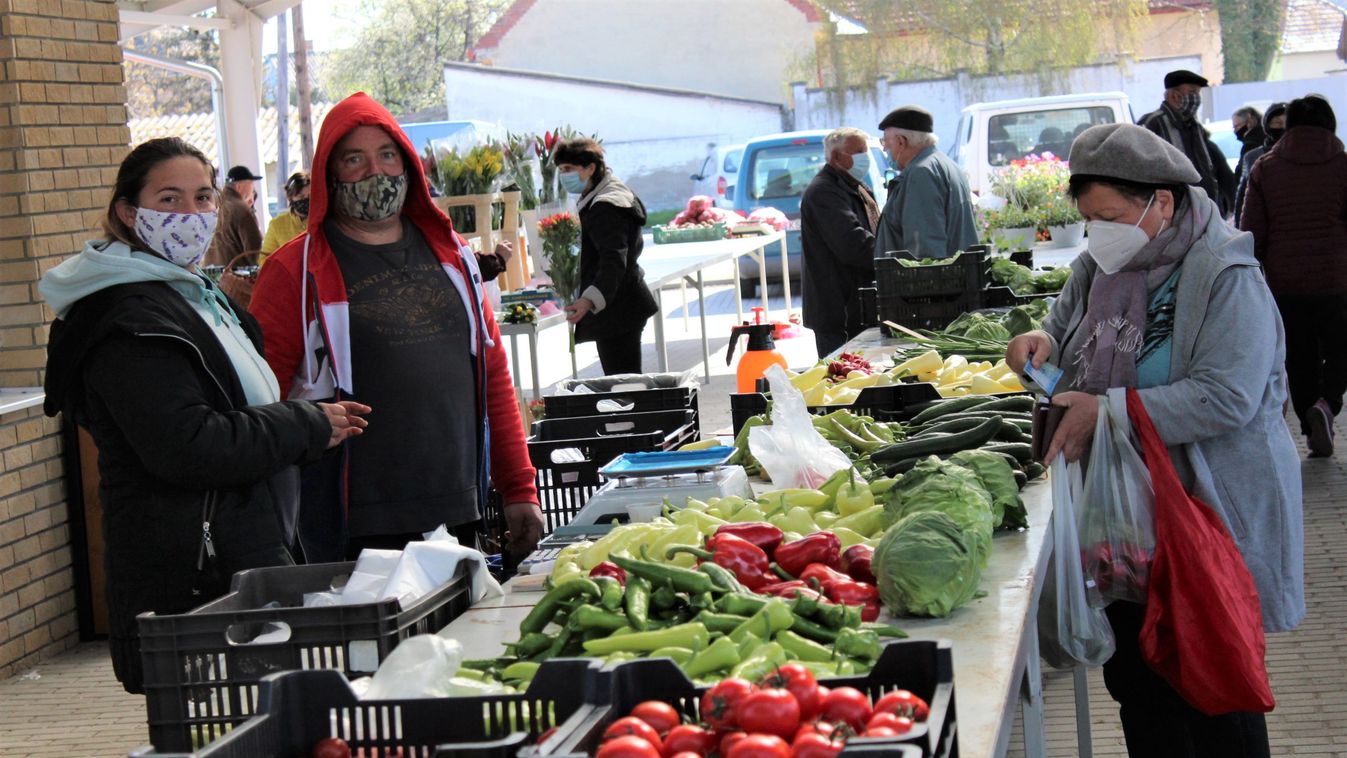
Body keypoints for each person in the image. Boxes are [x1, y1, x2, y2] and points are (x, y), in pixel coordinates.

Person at [1007, 124, 1304, 757]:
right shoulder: (1101, 264)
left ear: (1161, 202)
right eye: (1089, 220)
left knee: (1211, 682)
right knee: (1140, 684)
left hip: (1203, 513)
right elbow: (1064, 328)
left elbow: (1228, 395)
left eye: (1110, 217)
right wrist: (1042, 343)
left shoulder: (1226, 274)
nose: (1098, 233)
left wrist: (1108, 410)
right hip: (1122, 521)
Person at [37, 138, 369, 694]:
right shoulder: (129, 319)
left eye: (202, 198)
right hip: (194, 579)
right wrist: (304, 424)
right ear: (128, 212)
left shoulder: (193, 297)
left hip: (243, 560)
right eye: (168, 200)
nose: (190, 215)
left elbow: (237, 411)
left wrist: (306, 423)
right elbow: (188, 445)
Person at [250, 92, 543, 561]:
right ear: (328, 174)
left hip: (457, 508)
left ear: (407, 164)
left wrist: (519, 488)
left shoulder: (453, 257)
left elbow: (492, 375)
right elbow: (261, 408)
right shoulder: (294, 272)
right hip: (350, 526)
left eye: (387, 155)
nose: (376, 171)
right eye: (354, 159)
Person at [1240, 95, 1347, 458]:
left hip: (1285, 283)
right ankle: (1328, 404)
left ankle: (1309, 423)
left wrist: (1251, 278)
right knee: (1340, 347)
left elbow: (1251, 232)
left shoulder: (1266, 167)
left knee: (1298, 357)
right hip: (1337, 279)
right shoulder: (1343, 165)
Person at [553, 137, 660, 375]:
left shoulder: (605, 206)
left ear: (590, 168)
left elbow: (614, 260)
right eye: (561, 170)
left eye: (568, 169)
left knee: (623, 384)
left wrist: (588, 300)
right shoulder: (604, 196)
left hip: (618, 309)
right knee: (623, 381)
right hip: (620, 305)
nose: (564, 176)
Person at [799, 127, 880, 356]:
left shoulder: (855, 186)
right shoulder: (823, 192)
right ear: (836, 156)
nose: (865, 157)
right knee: (843, 372)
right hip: (838, 311)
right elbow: (853, 244)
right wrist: (890, 254)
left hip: (856, 305)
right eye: (859, 151)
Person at [874, 106, 978, 260]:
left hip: (935, 274)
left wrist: (922, 272)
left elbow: (924, 249)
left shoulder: (921, 173)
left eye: (886, 141)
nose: (884, 148)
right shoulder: (946, 164)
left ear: (901, 141)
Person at [1137, 70, 1236, 215]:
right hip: (1173, 213)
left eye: (1198, 94)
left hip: (1204, 211)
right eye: (1192, 92)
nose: (1196, 99)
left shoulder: (1195, 127)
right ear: (1173, 95)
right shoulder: (1153, 123)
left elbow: (1211, 168)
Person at [1233, 102, 1286, 227]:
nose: (1283, 127)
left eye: (1287, 123)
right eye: (1278, 123)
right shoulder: (1253, 156)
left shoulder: (1302, 155)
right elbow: (1243, 198)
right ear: (1267, 126)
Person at [204, 165, 264, 267]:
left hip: (210, 271)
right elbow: (255, 251)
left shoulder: (212, 204)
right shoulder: (240, 209)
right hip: (235, 273)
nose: (253, 190)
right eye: (251, 185)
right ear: (239, 187)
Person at [260, 170, 310, 266]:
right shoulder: (277, 225)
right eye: (301, 196)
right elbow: (264, 260)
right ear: (291, 198)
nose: (307, 200)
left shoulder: (323, 220)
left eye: (310, 196)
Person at [1231, 105, 1265, 183]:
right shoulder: (1266, 137)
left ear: (1249, 122)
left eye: (1237, 126)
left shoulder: (1250, 144)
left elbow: (1242, 173)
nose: (1235, 131)